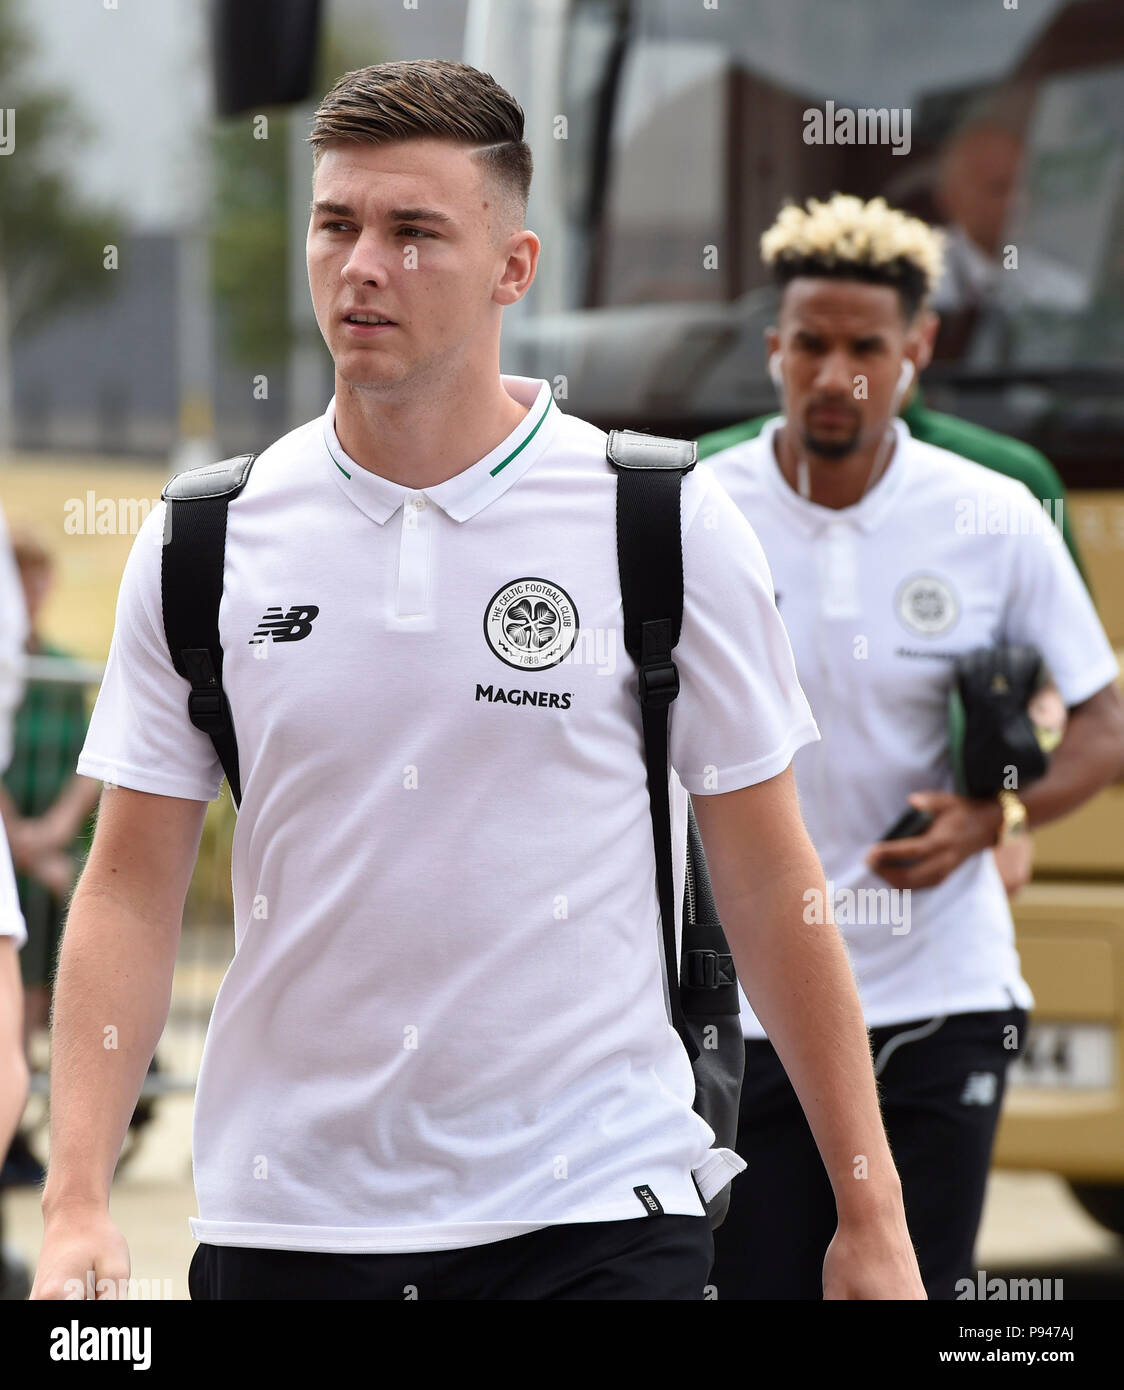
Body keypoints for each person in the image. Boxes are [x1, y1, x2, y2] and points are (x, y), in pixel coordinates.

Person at [31, 63, 923, 1302]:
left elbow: (775, 880)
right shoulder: (205, 542)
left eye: (414, 233)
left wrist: (867, 1214)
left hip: (595, 1210)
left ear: (513, 267)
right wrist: (76, 1197)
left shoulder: (657, 521)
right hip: (290, 1220)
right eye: (336, 223)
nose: (362, 266)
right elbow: (129, 889)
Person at [700, 193, 1124, 1300]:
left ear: (917, 351)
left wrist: (996, 816)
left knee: (914, 1293)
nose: (833, 373)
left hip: (938, 986)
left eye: (865, 347)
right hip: (748, 1000)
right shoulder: (695, 507)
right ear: (772, 349)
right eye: (810, 344)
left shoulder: (990, 510)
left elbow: (1102, 718)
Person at [0, 527, 100, 1187]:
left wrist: (56, 831)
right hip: (15, 854)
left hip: (44, 854)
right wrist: (17, 844)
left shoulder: (60, 669)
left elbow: (95, 758)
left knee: (39, 1002)